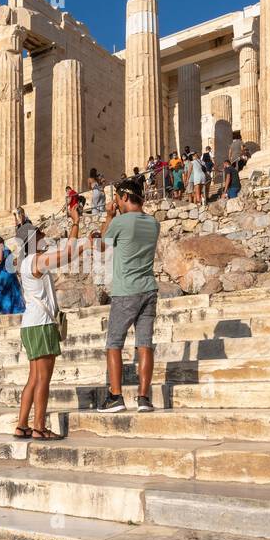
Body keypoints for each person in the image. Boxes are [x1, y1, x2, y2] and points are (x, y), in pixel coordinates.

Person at [14, 220, 90, 441]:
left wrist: (76, 226)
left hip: (30, 324)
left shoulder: (26, 262)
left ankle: (22, 426)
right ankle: (39, 427)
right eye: (39, 233)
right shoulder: (36, 261)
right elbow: (69, 254)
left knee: (33, 378)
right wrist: (76, 222)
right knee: (43, 380)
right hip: (41, 324)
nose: (44, 234)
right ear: (32, 239)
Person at [91, 177, 160, 412]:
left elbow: (101, 246)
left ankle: (115, 396)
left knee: (114, 343)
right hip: (149, 288)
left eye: (119, 199)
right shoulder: (153, 223)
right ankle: (143, 398)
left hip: (126, 290)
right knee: (144, 344)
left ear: (126, 197)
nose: (117, 204)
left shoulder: (121, 222)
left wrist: (109, 217)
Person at [0, 235, 24, 315]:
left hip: (3, 274)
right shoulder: (8, 249)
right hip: (10, 274)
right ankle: (11, 312)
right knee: (10, 293)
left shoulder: (0, 247)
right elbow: (14, 262)